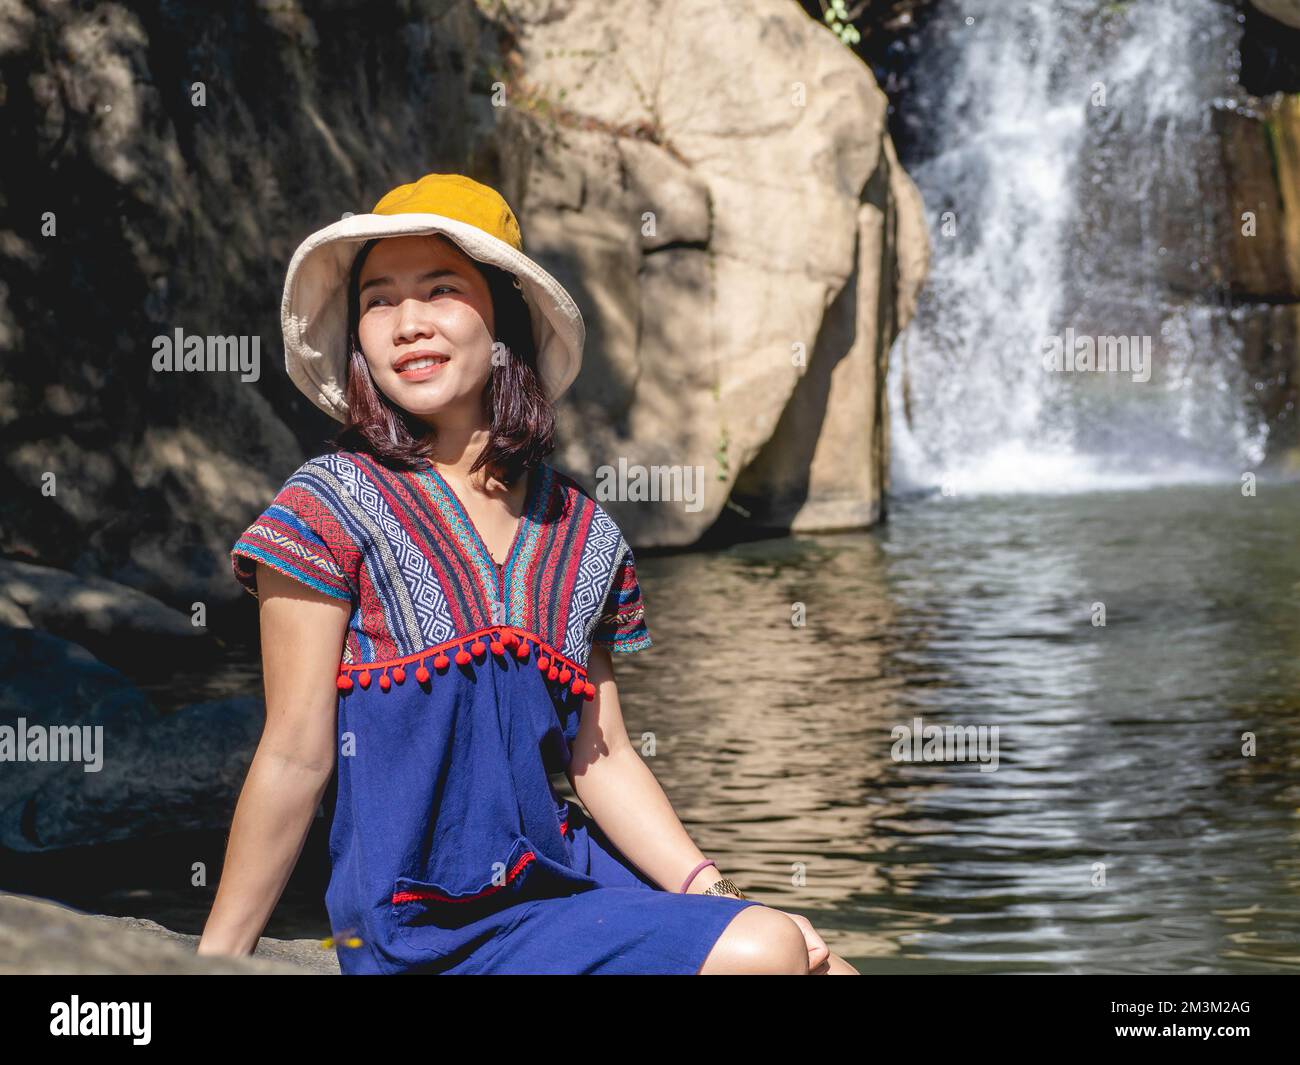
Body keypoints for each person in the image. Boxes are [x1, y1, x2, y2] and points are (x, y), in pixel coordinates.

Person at [197, 173, 858, 974]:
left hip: (560, 875)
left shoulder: (580, 531)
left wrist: (715, 890)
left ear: (504, 318)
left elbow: (602, 754)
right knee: (767, 950)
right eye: (379, 299)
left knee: (821, 963)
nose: (407, 324)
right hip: (426, 915)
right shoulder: (326, 506)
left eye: (440, 290)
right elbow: (296, 753)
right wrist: (211, 962)